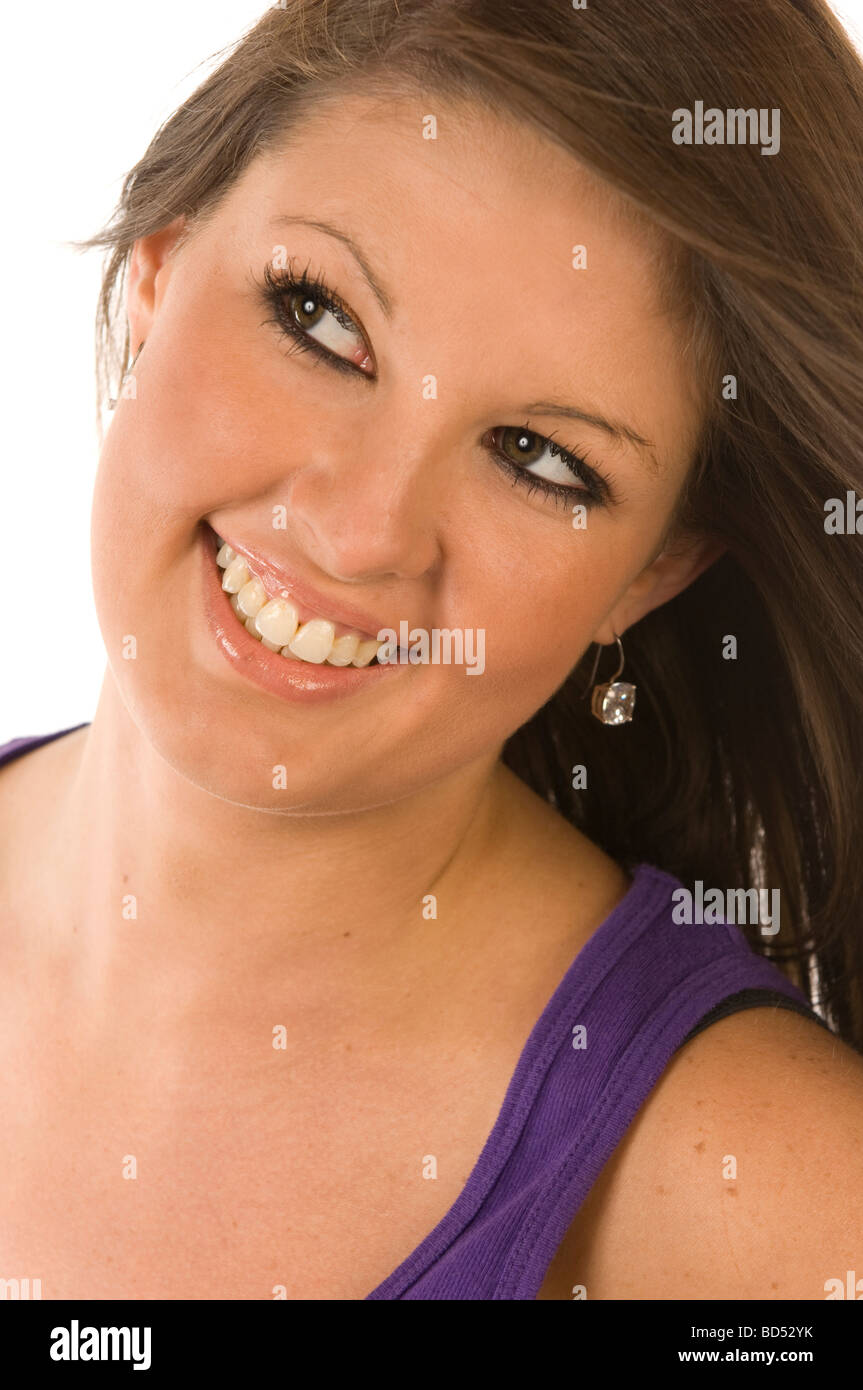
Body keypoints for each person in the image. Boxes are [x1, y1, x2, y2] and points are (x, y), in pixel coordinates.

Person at [1, 0, 862, 1300]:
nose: (358, 535)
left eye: (539, 458)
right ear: (159, 274)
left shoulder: (775, 1204)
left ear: (652, 573)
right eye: (319, 319)